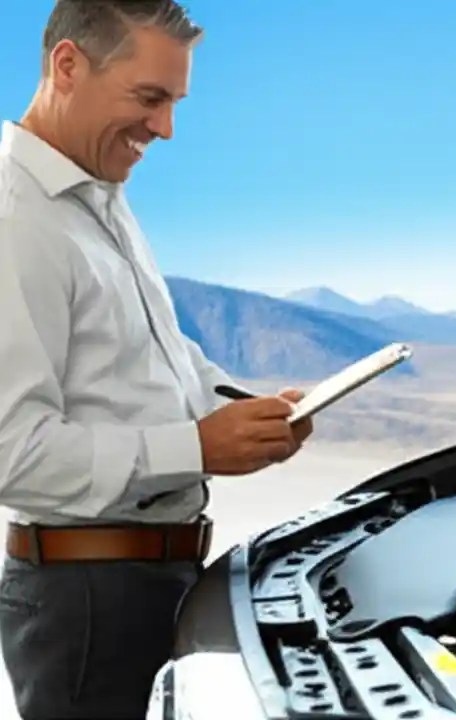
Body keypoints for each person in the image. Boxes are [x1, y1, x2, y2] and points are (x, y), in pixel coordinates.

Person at [0, 2, 314, 717]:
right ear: (68, 66)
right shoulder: (14, 219)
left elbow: (163, 357)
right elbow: (11, 452)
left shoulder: (97, 194)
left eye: (174, 102)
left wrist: (239, 410)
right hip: (88, 603)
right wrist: (197, 447)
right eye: (149, 98)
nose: (165, 128)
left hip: (145, 580)